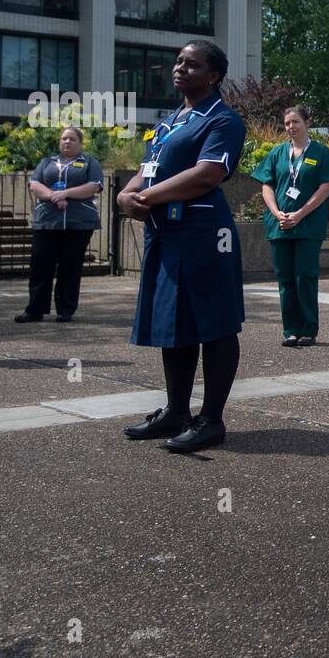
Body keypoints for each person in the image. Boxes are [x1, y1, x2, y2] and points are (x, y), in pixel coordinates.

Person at [117, 40, 246, 453]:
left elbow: (207, 174)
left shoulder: (223, 121)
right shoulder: (170, 121)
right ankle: (176, 410)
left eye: (192, 65)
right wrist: (126, 196)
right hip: (164, 234)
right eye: (178, 62)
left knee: (215, 323)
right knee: (175, 325)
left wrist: (147, 199)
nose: (180, 69)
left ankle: (211, 420)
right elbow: (145, 172)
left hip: (202, 235)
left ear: (213, 76)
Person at [251, 106, 329, 346]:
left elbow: (326, 187)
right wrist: (276, 212)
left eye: (296, 122)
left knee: (305, 276)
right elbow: (266, 184)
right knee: (285, 278)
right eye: (287, 123)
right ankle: (290, 330)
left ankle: (309, 329)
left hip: (307, 225)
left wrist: (300, 214)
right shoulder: (278, 153)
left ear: (307, 123)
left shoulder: (321, 152)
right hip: (279, 224)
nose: (291, 127)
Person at [14, 127, 104, 324]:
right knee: (40, 265)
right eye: (64, 138)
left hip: (78, 223)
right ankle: (35, 310)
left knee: (70, 267)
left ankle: (65, 310)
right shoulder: (47, 162)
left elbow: (95, 185)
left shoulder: (89, 162)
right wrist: (54, 197)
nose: (67, 142)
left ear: (80, 143)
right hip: (47, 221)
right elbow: (35, 184)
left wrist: (66, 194)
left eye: (72, 139)